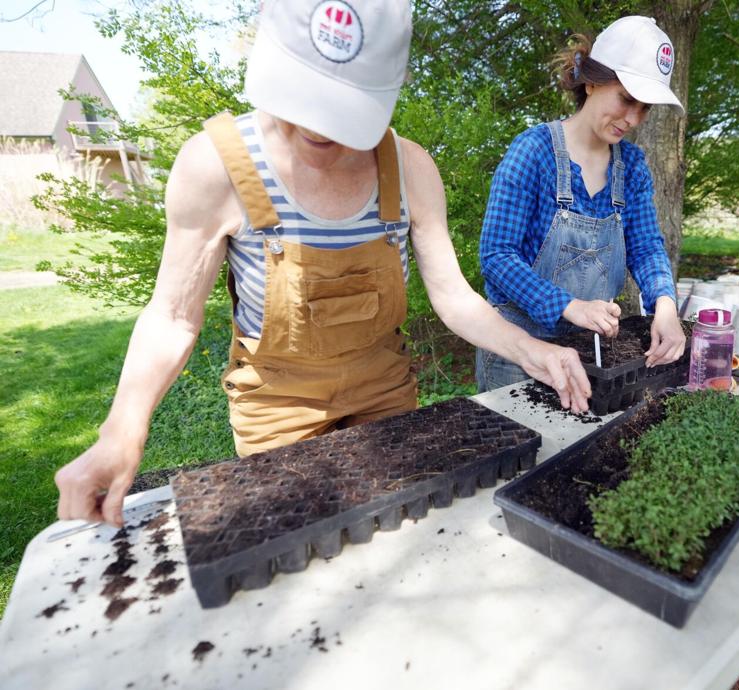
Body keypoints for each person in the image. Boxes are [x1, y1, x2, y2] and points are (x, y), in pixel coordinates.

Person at [54, 0, 591, 527]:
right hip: (277, 405)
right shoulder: (214, 166)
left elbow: (452, 295)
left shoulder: (411, 169)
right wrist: (121, 433)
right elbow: (172, 318)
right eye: (301, 96)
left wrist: (531, 350)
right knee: (298, 551)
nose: (317, 129)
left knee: (405, 535)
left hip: (384, 390)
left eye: (343, 108)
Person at [475, 16, 688, 392]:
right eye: (626, 99)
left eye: (645, 108)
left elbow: (646, 247)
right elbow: (497, 256)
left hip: (589, 356)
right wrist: (569, 306)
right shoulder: (533, 152)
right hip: (517, 350)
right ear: (591, 80)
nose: (633, 118)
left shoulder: (633, 167)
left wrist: (666, 306)